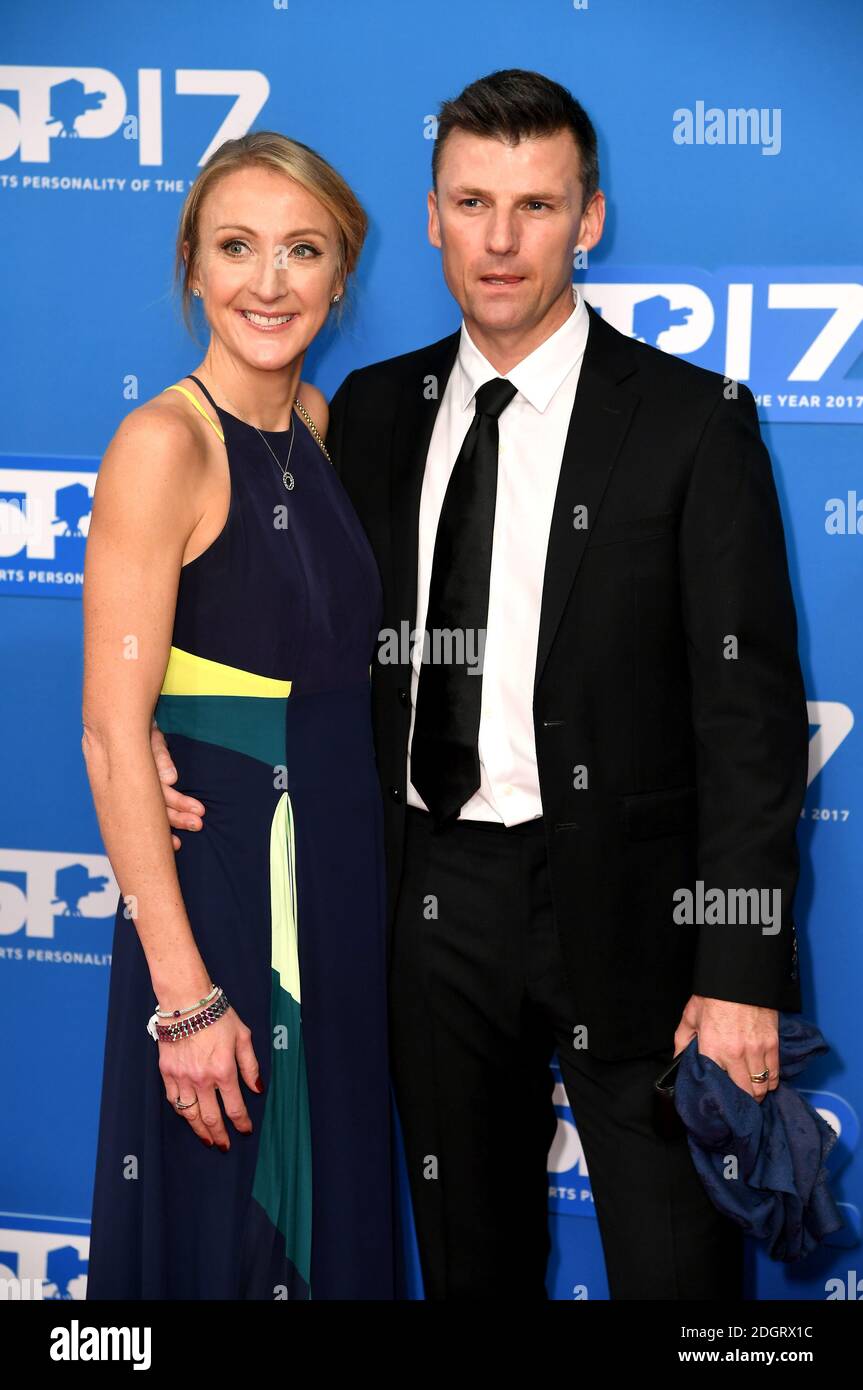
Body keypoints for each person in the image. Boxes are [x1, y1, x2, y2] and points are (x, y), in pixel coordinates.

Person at [152, 70, 809, 1300]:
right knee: (467, 1268)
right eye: (471, 203)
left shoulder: (687, 421)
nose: (500, 240)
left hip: (637, 922)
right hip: (424, 900)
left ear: (589, 219)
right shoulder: (371, 415)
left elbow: (751, 726)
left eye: (535, 205)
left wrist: (737, 973)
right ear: (434, 214)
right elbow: (278, 612)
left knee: (680, 1281)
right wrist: (157, 725)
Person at [83, 132, 396, 1299]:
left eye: (301, 250)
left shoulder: (310, 421)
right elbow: (114, 733)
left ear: (339, 275)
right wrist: (187, 997)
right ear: (194, 268)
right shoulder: (163, 444)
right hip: (225, 901)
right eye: (237, 247)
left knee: (335, 1213)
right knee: (233, 1224)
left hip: (335, 874)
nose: (269, 281)